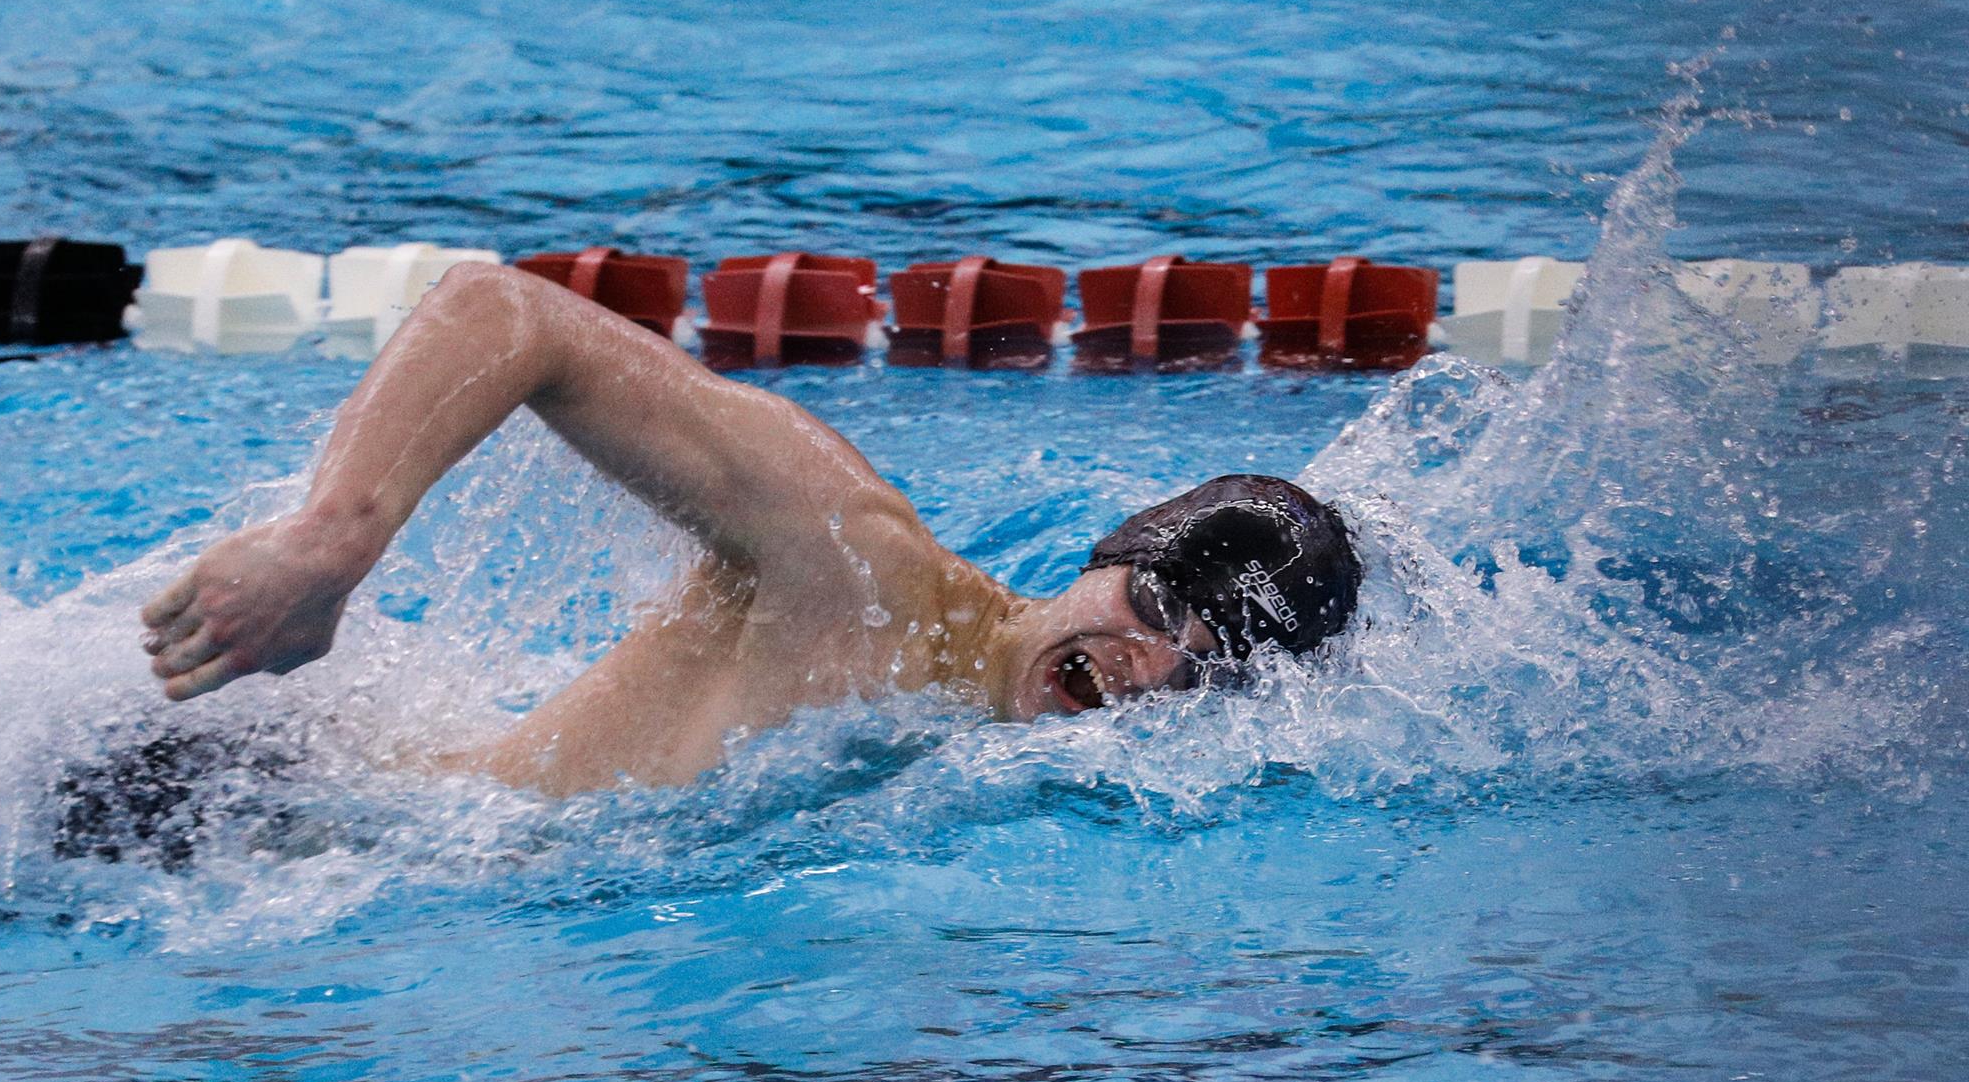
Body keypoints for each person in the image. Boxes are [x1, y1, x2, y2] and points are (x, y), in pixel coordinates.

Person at [139, 263, 1363, 794]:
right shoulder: (857, 562)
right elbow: (504, 312)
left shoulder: (987, 763)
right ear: (1107, 555)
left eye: (1200, 666)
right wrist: (332, 539)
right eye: (1152, 607)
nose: (1148, 667)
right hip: (222, 792)